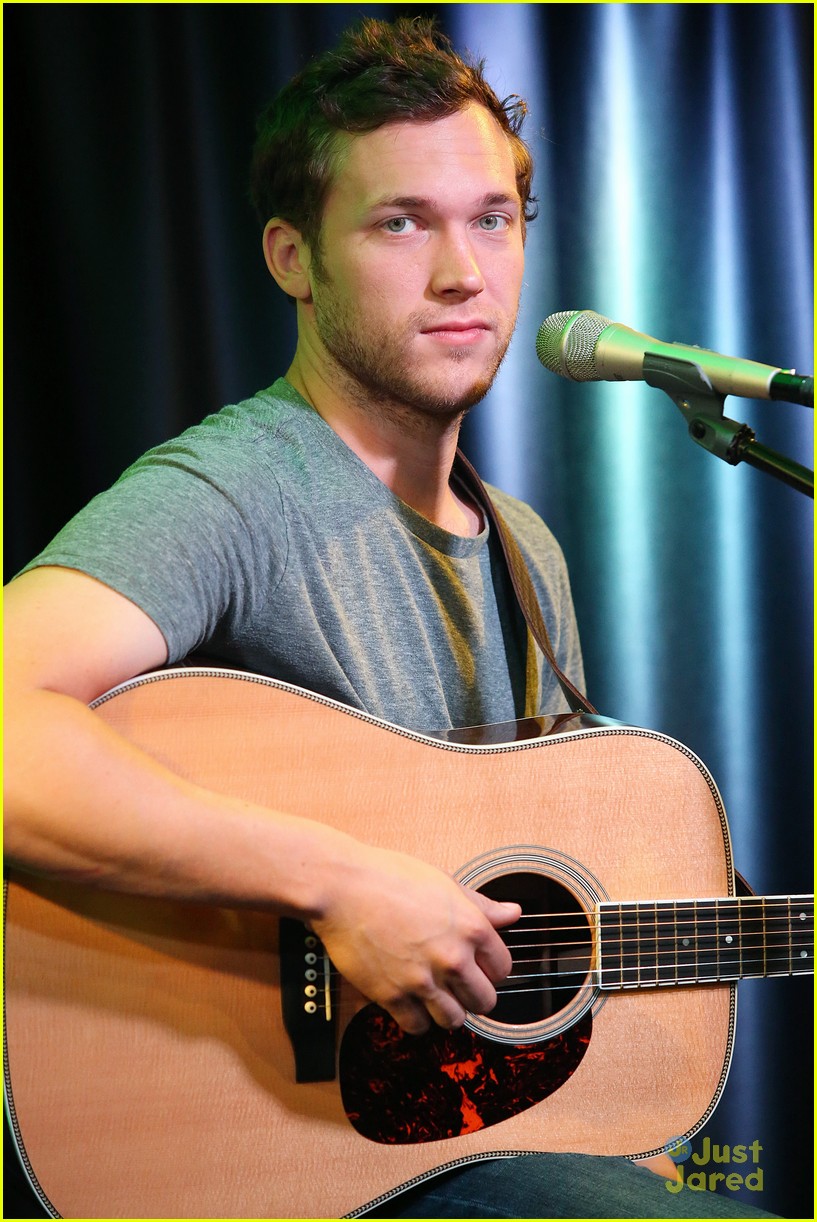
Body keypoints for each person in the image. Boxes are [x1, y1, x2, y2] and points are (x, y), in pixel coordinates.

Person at [4, 17, 777, 1219]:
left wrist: (610, 1117)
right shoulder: (233, 491)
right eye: (400, 222)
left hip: (439, 1144)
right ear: (291, 257)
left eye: (493, 219)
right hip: (251, 1150)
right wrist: (335, 882)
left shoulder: (525, 551)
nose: (464, 270)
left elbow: (524, 943)